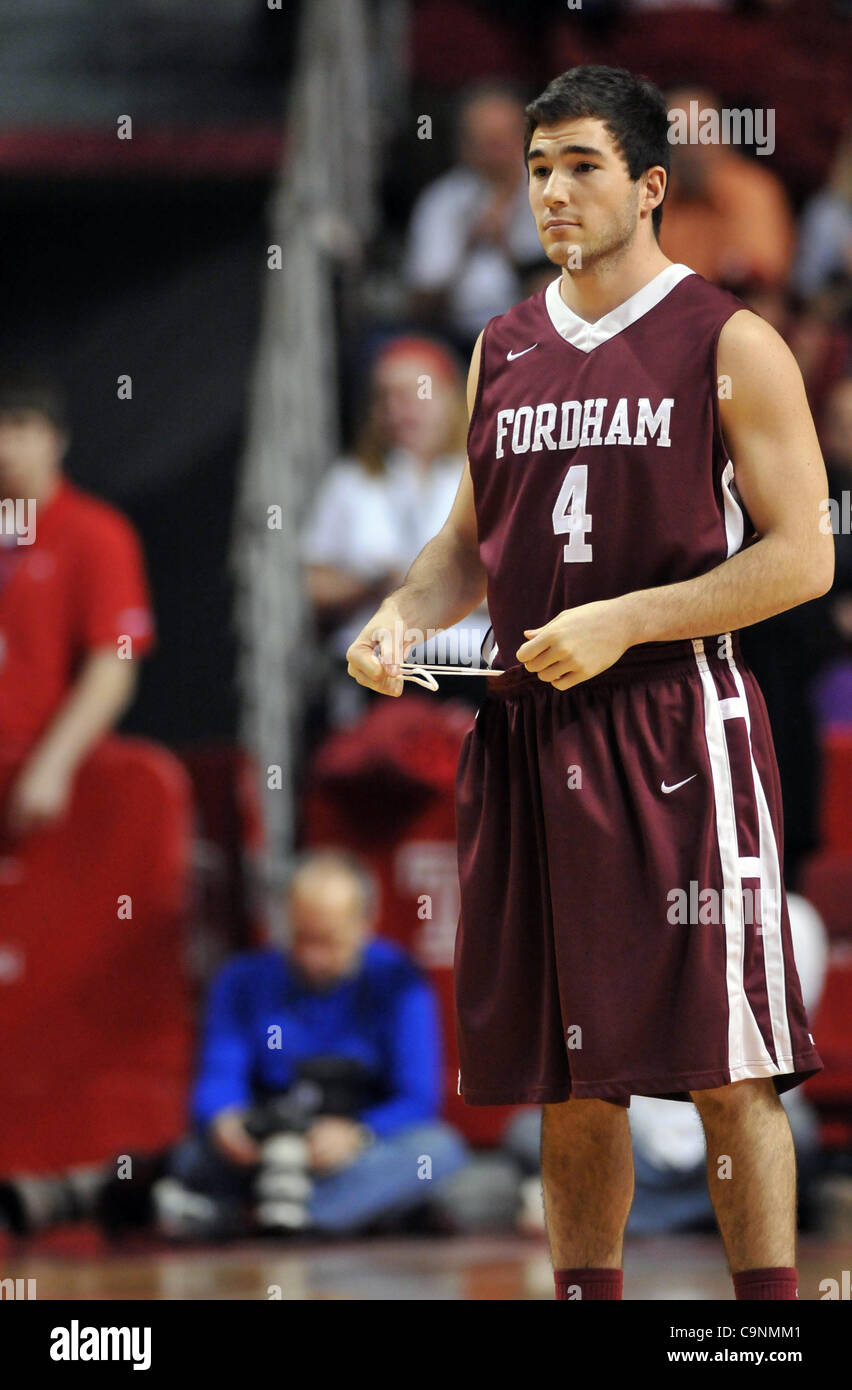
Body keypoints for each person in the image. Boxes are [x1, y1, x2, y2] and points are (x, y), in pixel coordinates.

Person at [347, 64, 834, 1302]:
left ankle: (766, 1325)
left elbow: (802, 556)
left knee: (728, 1067)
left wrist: (626, 620)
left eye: (582, 167)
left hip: (677, 722)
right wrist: (400, 615)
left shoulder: (729, 338)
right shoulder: (499, 347)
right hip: (527, 732)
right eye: (539, 168)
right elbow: (465, 546)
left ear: (651, 185)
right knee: (575, 1081)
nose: (553, 191)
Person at [157, 849, 469, 1239]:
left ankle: (263, 1219)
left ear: (365, 924)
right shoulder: (241, 979)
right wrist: (226, 1122)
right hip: (263, 1154)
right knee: (192, 1157)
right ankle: (322, 1214)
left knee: (438, 1151)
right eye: (301, 939)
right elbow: (217, 1080)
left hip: (354, 1154)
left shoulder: (399, 982)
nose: (312, 959)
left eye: (328, 942)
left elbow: (418, 1098)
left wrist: (357, 1134)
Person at [301, 334, 490, 733]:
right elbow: (311, 585)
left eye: (415, 395)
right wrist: (376, 583)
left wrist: (448, 589)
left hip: (471, 665)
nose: (399, 411)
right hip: (376, 666)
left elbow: (529, 580)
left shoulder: (487, 476)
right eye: (386, 398)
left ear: (450, 399)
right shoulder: (351, 481)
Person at [0, 369, 155, 840]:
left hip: (48, 775)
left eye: (21, 427)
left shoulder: (97, 535)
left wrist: (55, 763)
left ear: (56, 440)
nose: (5, 445)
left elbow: (113, 665)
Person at [402, 86, 549, 354]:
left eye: (503, 141)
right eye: (486, 143)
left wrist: (507, 247)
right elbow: (420, 307)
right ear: (465, 146)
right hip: (457, 339)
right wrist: (466, 246)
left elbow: (568, 298)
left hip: (535, 335)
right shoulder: (442, 200)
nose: (497, 154)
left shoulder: (555, 195)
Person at [659, 85, 795, 291]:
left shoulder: (754, 191)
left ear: (724, 136)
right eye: (679, 136)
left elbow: (764, 275)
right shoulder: (653, 198)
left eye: (702, 134)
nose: (691, 148)